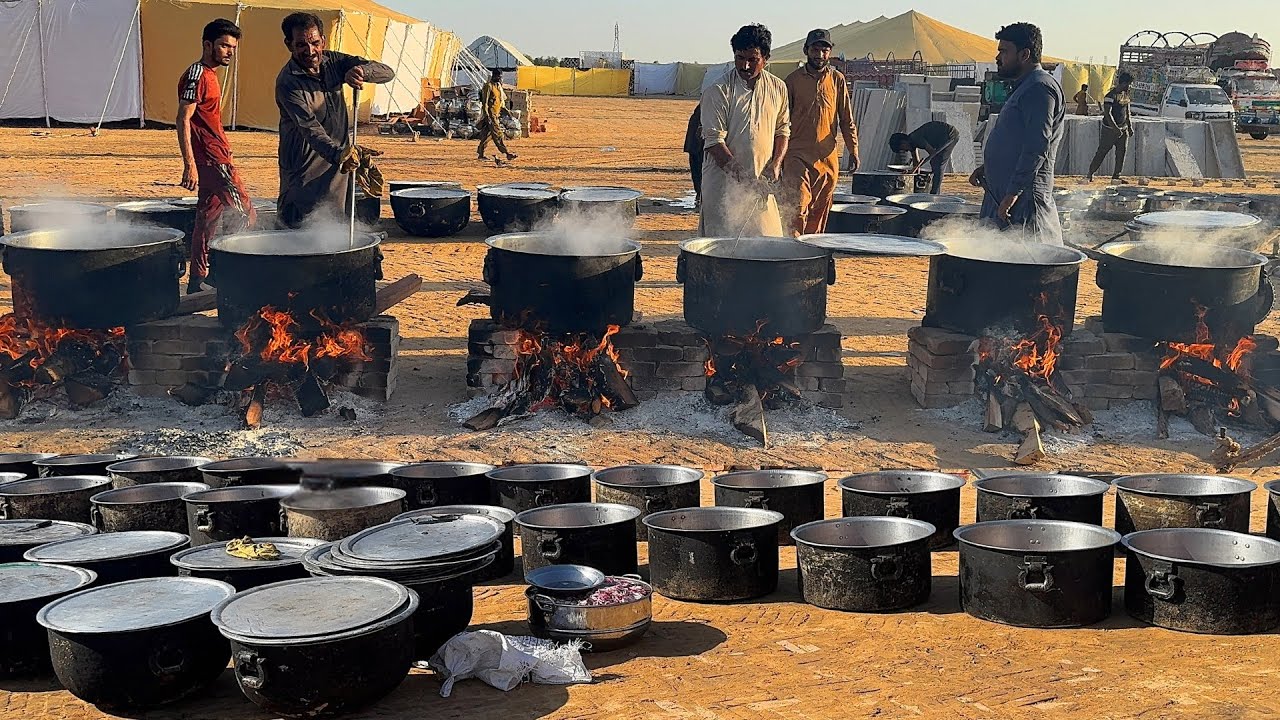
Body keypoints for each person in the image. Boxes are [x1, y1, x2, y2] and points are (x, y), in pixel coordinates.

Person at [274, 12, 394, 228]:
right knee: (298, 234)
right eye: (301, 45)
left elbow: (387, 72)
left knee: (334, 229)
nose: (310, 51)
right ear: (288, 45)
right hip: (304, 171)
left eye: (315, 43)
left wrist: (361, 71)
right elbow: (309, 128)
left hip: (338, 169)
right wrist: (340, 154)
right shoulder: (287, 83)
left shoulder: (334, 62)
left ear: (323, 40)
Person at [968, 22, 1065, 245]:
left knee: (1027, 264)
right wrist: (988, 168)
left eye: (1004, 51)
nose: (998, 57)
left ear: (1024, 54)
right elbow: (1017, 140)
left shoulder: (1039, 88)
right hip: (1004, 196)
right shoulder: (1024, 87)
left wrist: (1013, 193)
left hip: (1022, 203)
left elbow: (1037, 146)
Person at [177, 19, 255, 294]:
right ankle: (226, 272)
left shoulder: (210, 74)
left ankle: (198, 280)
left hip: (215, 157)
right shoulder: (197, 75)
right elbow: (183, 119)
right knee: (246, 214)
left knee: (207, 219)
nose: (229, 52)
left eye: (233, 47)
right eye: (224, 45)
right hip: (213, 160)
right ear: (207, 44)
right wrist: (190, 166)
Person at [699, 24, 790, 237]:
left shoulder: (778, 88)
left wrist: (776, 164)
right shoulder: (718, 91)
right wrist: (747, 182)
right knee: (722, 249)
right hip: (724, 186)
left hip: (762, 184)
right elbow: (714, 143)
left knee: (766, 245)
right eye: (739, 58)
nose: (745, 65)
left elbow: (783, 130)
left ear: (766, 58)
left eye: (752, 59)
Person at [783, 28, 858, 236]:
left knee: (819, 210)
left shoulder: (837, 79)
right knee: (797, 207)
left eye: (825, 50)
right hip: (796, 155)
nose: (820, 55)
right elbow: (780, 122)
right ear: (806, 50)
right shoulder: (792, 81)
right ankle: (793, 249)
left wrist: (853, 150)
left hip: (827, 158)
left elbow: (846, 119)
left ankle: (811, 253)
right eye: (815, 49)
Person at [1086, 72, 1134, 183]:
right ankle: (1090, 173)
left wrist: (1129, 126)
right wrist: (1115, 128)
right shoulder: (1110, 96)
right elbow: (1107, 114)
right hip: (1109, 130)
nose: (1129, 86)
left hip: (1123, 129)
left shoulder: (1126, 95)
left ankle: (1116, 176)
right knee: (1102, 151)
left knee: (1121, 153)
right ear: (1123, 83)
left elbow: (1127, 111)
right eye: (1129, 84)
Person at [889, 121, 959, 195]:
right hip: (942, 137)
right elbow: (916, 164)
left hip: (950, 134)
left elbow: (933, 154)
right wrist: (911, 175)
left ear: (903, 142)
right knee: (935, 163)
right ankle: (934, 190)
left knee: (938, 164)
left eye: (902, 149)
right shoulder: (911, 143)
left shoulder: (916, 138)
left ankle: (934, 194)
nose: (906, 151)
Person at [478, 68, 517, 162]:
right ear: (494, 76)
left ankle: (480, 153)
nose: (500, 78)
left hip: (496, 114)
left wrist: (507, 112)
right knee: (498, 134)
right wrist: (487, 116)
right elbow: (485, 102)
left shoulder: (498, 86)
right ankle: (507, 153)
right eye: (499, 76)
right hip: (491, 115)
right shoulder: (488, 86)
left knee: (487, 134)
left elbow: (500, 101)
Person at [684, 104, 703, 206]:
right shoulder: (713, 102)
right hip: (698, 144)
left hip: (695, 144)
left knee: (697, 172)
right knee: (700, 172)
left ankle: (700, 195)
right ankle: (701, 196)